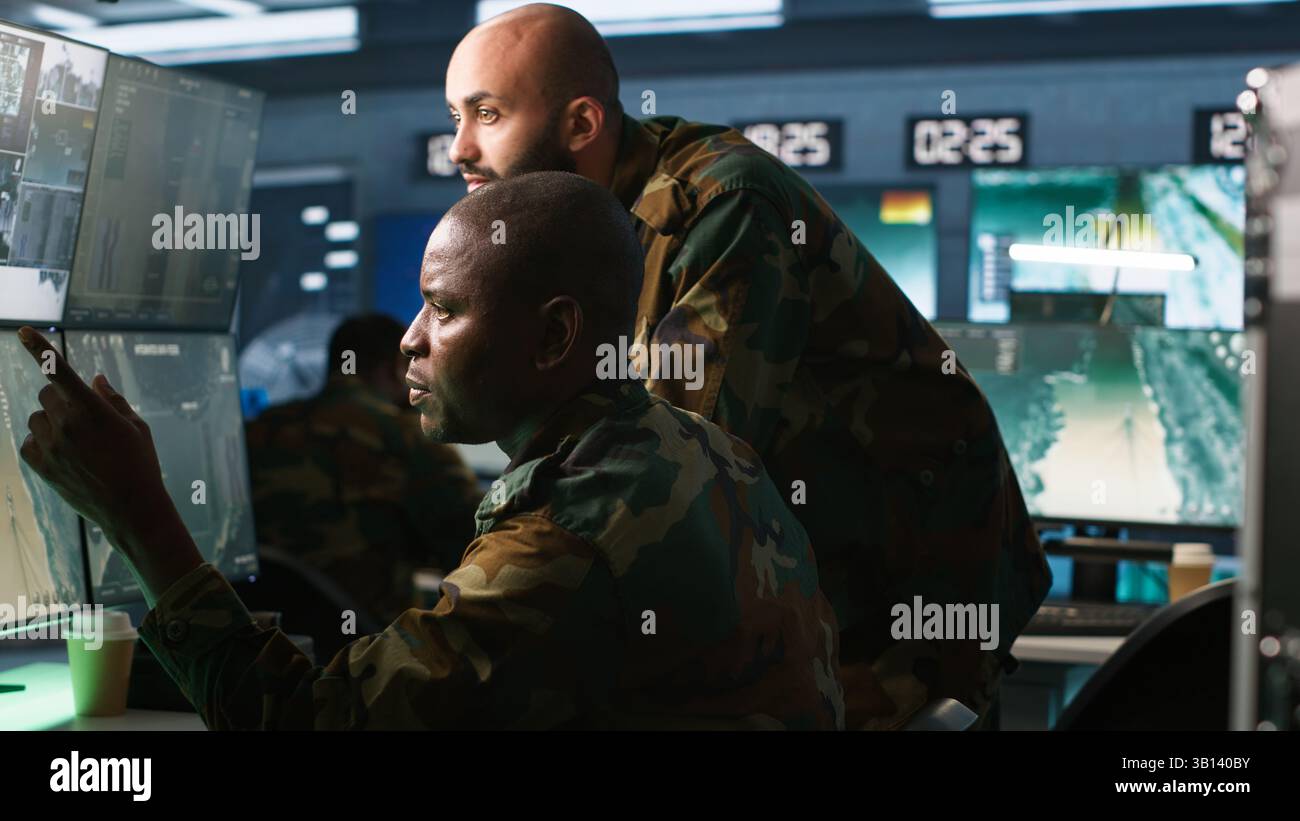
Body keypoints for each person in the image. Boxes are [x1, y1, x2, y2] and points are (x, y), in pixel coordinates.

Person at [17, 172, 844, 730]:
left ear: (554, 334)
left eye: (443, 310)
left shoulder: (570, 534)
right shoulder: (706, 447)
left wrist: (139, 515)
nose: (412, 340)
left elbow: (303, 722)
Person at [442, 3, 1051, 728]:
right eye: (455, 115)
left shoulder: (723, 204)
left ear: (581, 124)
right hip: (806, 566)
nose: (459, 148)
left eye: (487, 113)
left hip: (909, 594)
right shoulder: (591, 228)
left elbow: (673, 467)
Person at [245, 314, 481, 624]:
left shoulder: (260, 431)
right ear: (394, 369)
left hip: (275, 637)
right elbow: (475, 552)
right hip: (373, 646)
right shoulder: (405, 437)